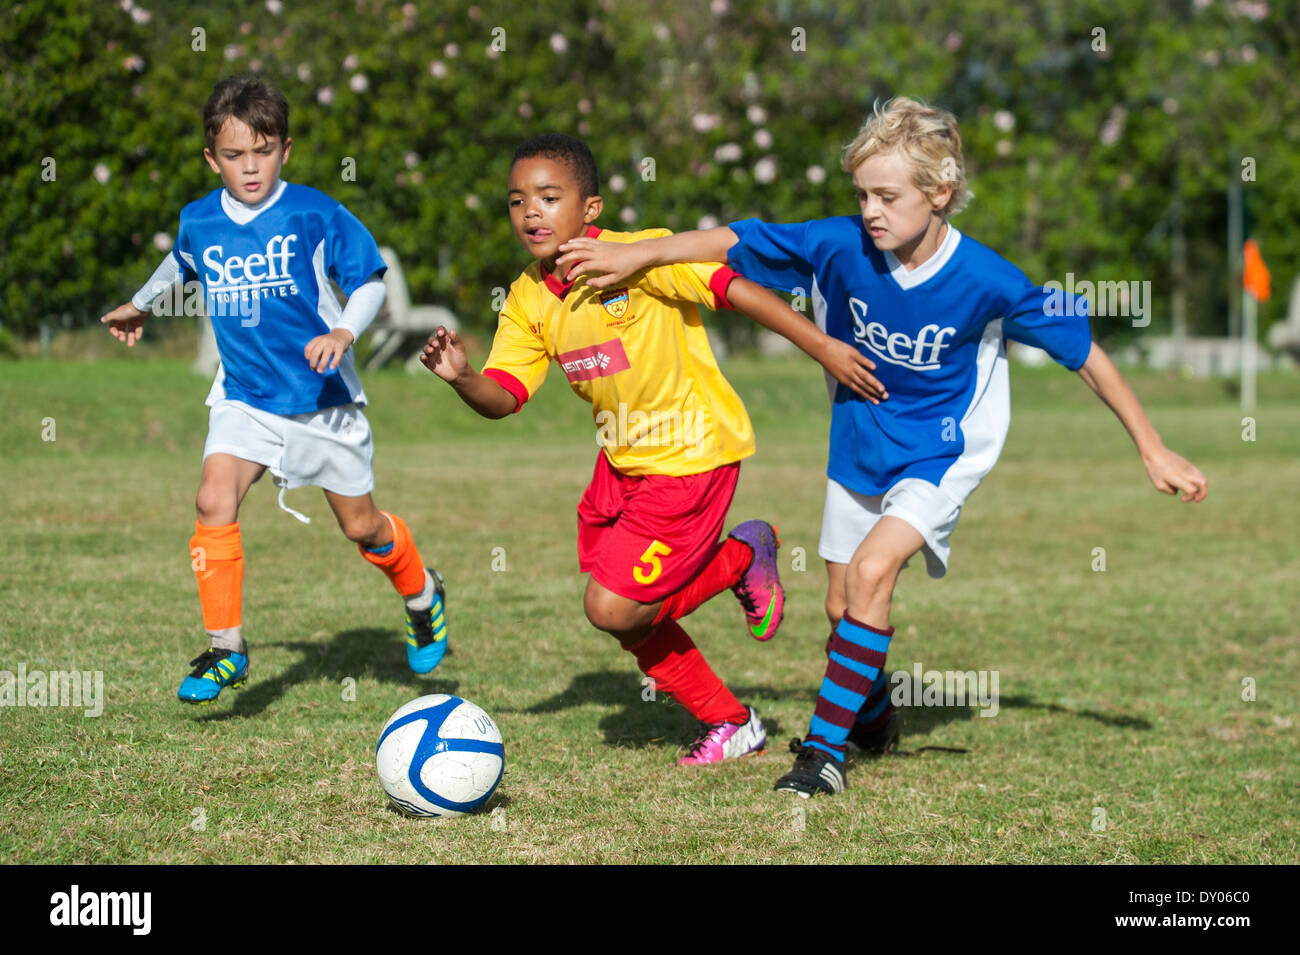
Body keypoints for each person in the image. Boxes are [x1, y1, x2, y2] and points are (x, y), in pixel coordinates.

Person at [555, 97, 1209, 795]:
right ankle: (871, 714)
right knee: (842, 608)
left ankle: (822, 756)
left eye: (888, 195)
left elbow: (1086, 353)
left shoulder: (987, 280)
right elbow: (733, 240)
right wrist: (640, 252)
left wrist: (1153, 447)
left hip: (942, 451)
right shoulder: (840, 245)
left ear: (940, 193)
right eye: (863, 192)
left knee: (871, 574)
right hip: (859, 443)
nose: (871, 209)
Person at [421, 133, 883, 764]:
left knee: (613, 607)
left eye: (549, 197)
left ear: (590, 210)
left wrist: (824, 347)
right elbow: (505, 394)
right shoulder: (528, 296)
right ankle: (730, 721)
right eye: (517, 200)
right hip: (621, 464)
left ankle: (743, 556)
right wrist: (462, 378)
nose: (531, 212)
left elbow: (735, 289)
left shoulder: (641, 257)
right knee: (624, 611)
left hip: (691, 456)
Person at [101, 75, 449, 703]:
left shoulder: (315, 212)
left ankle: (423, 593)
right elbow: (183, 260)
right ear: (213, 159)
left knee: (362, 527)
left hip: (322, 404)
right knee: (213, 499)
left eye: (262, 152)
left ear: (285, 149)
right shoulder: (200, 218)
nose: (250, 167)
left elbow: (369, 279)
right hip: (243, 398)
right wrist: (141, 304)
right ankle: (226, 648)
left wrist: (343, 331)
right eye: (234, 156)